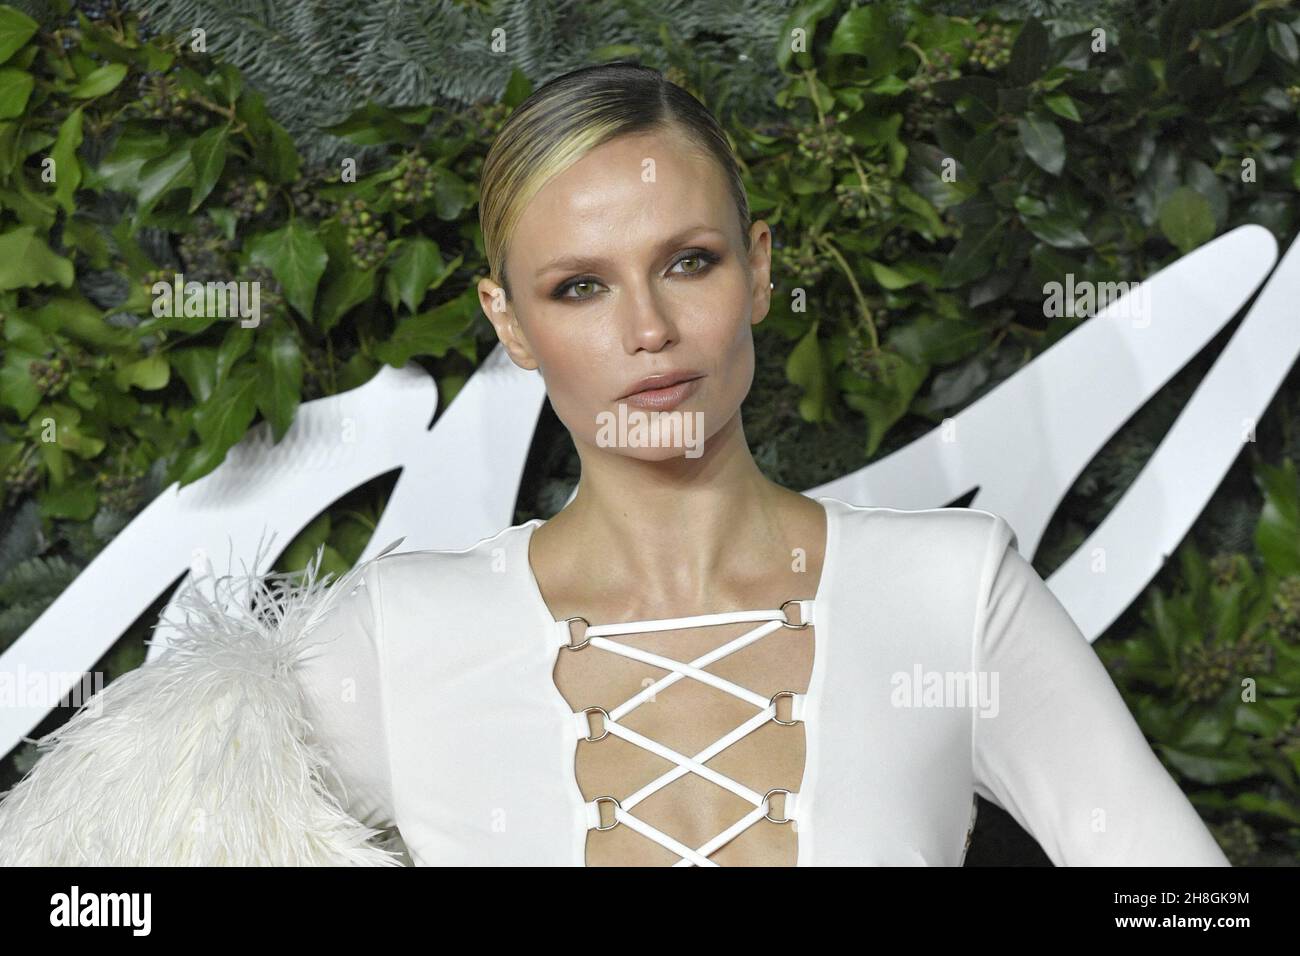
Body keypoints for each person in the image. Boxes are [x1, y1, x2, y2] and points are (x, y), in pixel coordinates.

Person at [0, 62, 1229, 867]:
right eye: (578, 287)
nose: (647, 328)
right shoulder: (403, 630)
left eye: (687, 261)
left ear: (754, 267)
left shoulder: (953, 594)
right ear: (511, 324)